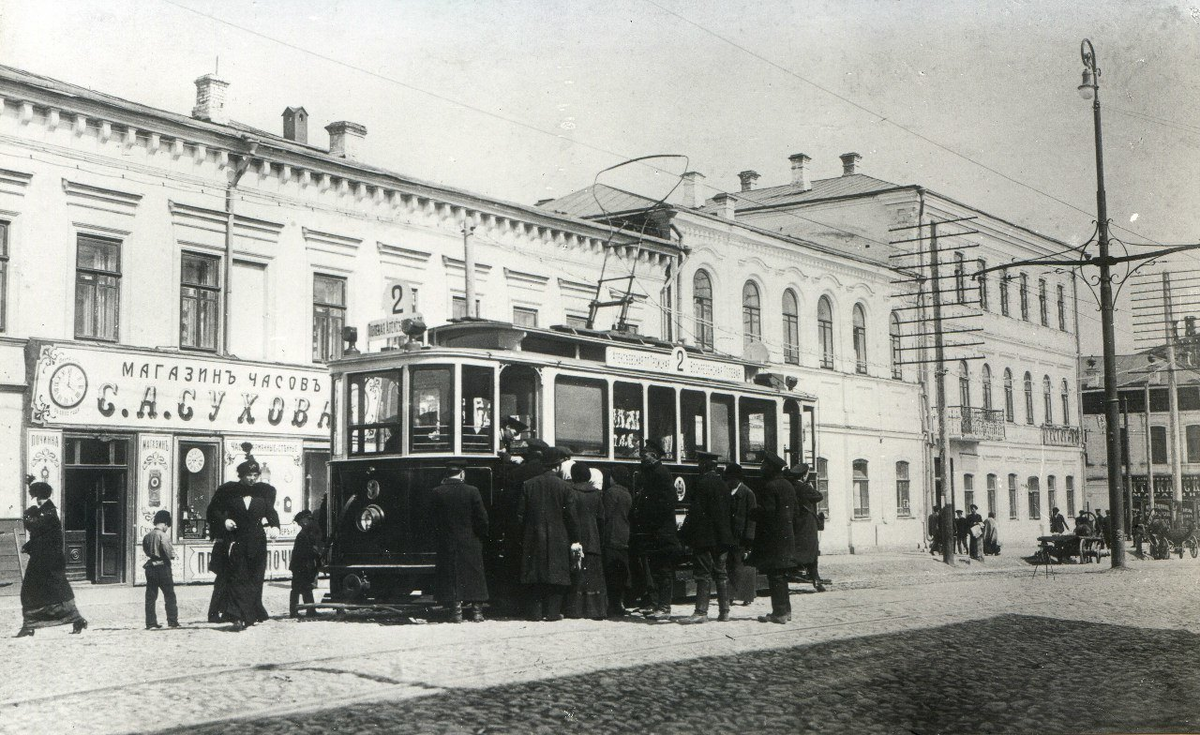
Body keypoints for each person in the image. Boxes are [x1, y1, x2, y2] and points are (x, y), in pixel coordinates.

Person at [211, 448, 281, 629]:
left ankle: (249, 615)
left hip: (258, 542)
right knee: (238, 578)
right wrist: (224, 521)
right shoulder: (230, 493)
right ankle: (236, 617)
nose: (252, 478)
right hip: (238, 541)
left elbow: (271, 513)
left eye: (255, 475)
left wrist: (275, 526)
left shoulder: (262, 495)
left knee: (255, 579)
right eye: (249, 475)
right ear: (241, 475)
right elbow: (213, 511)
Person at [16, 479, 87, 637]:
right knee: (39, 591)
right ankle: (30, 624)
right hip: (43, 561)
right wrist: (29, 546)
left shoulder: (49, 514)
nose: (37, 500)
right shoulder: (45, 512)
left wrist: (28, 516)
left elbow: (36, 528)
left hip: (48, 563)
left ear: (42, 496)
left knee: (50, 592)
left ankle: (75, 619)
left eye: (38, 497)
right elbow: (41, 537)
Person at [517, 446, 581, 621]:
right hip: (559, 537)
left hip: (533, 536)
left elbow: (520, 515)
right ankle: (553, 613)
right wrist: (575, 538)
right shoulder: (565, 487)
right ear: (558, 466)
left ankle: (535, 613)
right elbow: (571, 517)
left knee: (534, 573)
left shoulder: (528, 484)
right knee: (557, 574)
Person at [679, 451, 734, 624]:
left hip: (705, 538)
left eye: (699, 464)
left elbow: (695, 513)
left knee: (703, 574)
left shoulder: (701, 483)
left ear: (703, 465)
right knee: (721, 574)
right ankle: (724, 612)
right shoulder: (724, 485)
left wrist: (685, 534)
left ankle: (701, 612)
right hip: (723, 538)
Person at [431, 463, 490, 623]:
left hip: (447, 541)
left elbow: (433, 520)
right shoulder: (472, 491)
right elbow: (482, 518)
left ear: (447, 474)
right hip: (470, 540)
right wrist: (480, 535)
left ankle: (456, 613)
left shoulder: (437, 492)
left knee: (451, 575)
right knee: (475, 574)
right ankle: (477, 612)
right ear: (462, 474)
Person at [749, 452, 802, 624]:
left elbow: (767, 514)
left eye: (764, 465)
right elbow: (796, 513)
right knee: (782, 575)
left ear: (771, 468)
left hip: (773, 539)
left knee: (775, 576)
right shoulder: (788, 485)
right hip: (787, 537)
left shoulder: (769, 487)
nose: (762, 468)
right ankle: (786, 611)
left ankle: (779, 613)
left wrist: (753, 512)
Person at [634, 439, 682, 621]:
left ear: (653, 456)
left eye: (644, 454)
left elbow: (668, 502)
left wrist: (649, 513)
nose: (641, 457)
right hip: (654, 530)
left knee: (663, 570)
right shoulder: (651, 472)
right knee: (655, 569)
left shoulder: (661, 473)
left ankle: (664, 607)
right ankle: (656, 604)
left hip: (662, 531)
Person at [566, 462, 608, 620]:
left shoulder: (570, 491)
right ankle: (595, 610)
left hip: (575, 538)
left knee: (577, 573)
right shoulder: (596, 494)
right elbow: (601, 519)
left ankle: (575, 610)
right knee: (593, 575)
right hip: (593, 538)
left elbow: (569, 515)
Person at [600, 465, 633, 617]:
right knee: (621, 572)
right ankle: (620, 602)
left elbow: (605, 514)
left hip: (612, 535)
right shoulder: (627, 493)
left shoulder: (612, 492)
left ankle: (613, 606)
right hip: (624, 535)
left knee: (611, 572)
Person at [789, 462, 825, 592]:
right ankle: (815, 579)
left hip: (795, 523)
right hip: (807, 525)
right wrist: (810, 486)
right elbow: (819, 496)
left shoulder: (791, 486)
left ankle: (809, 575)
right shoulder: (804, 487)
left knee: (797, 549)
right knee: (812, 552)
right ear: (804, 476)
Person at [725, 462, 757, 606]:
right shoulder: (727, 491)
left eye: (731, 478)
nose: (729, 481)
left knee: (743, 565)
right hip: (730, 535)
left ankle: (747, 596)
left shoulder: (748, 493)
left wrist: (749, 540)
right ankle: (731, 595)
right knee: (731, 565)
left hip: (742, 537)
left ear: (737, 479)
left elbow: (752, 520)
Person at [143, 509, 179, 630]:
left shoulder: (147, 536)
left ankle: (151, 623)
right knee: (169, 596)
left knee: (151, 597)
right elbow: (169, 552)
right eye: (167, 525)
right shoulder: (164, 536)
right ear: (164, 523)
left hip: (150, 567)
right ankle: (172, 621)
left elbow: (146, 551)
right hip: (163, 567)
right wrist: (171, 556)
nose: (167, 527)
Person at [288, 509, 323, 619]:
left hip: (302, 566)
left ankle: (310, 610)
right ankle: (295, 612)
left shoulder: (306, 534)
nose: (301, 524)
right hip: (301, 566)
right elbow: (306, 552)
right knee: (298, 589)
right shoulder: (303, 535)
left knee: (305, 589)